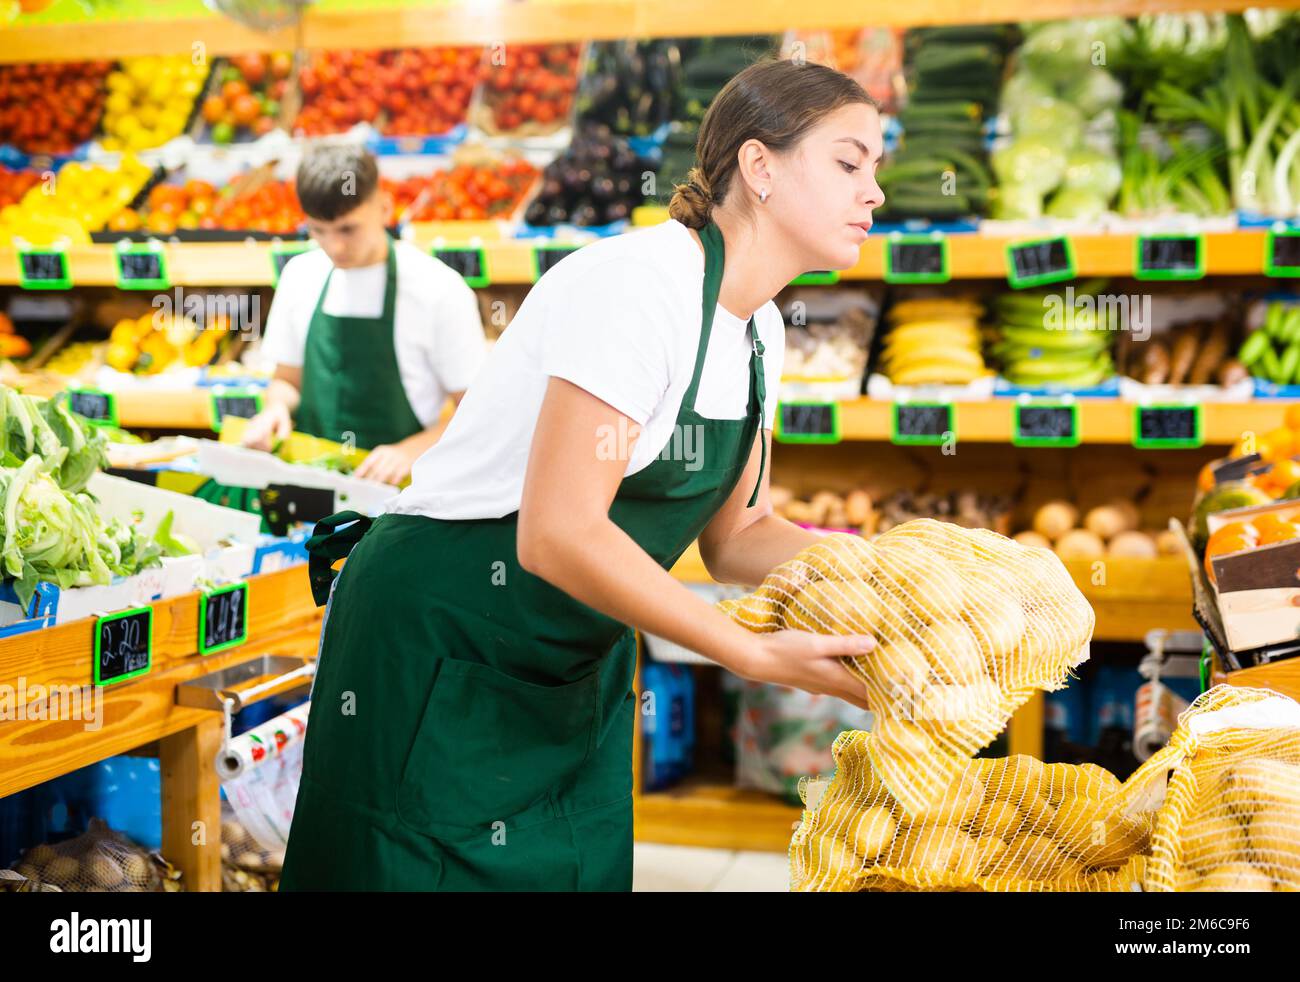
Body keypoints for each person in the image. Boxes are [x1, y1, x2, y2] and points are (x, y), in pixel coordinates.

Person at [279, 59, 885, 892]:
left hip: (566, 664)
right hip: (443, 636)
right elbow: (559, 532)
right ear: (760, 167)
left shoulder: (756, 330)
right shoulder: (639, 288)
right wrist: (753, 652)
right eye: (851, 162)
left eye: (876, 169)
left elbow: (739, 533)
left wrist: (896, 582)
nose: (875, 192)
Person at [242, 144, 486, 486]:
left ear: (384, 207)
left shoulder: (439, 290)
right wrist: (275, 409)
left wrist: (411, 450)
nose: (334, 247)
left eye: (347, 229)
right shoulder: (300, 276)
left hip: (403, 495)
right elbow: (287, 380)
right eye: (318, 231)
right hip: (311, 488)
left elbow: (478, 413)